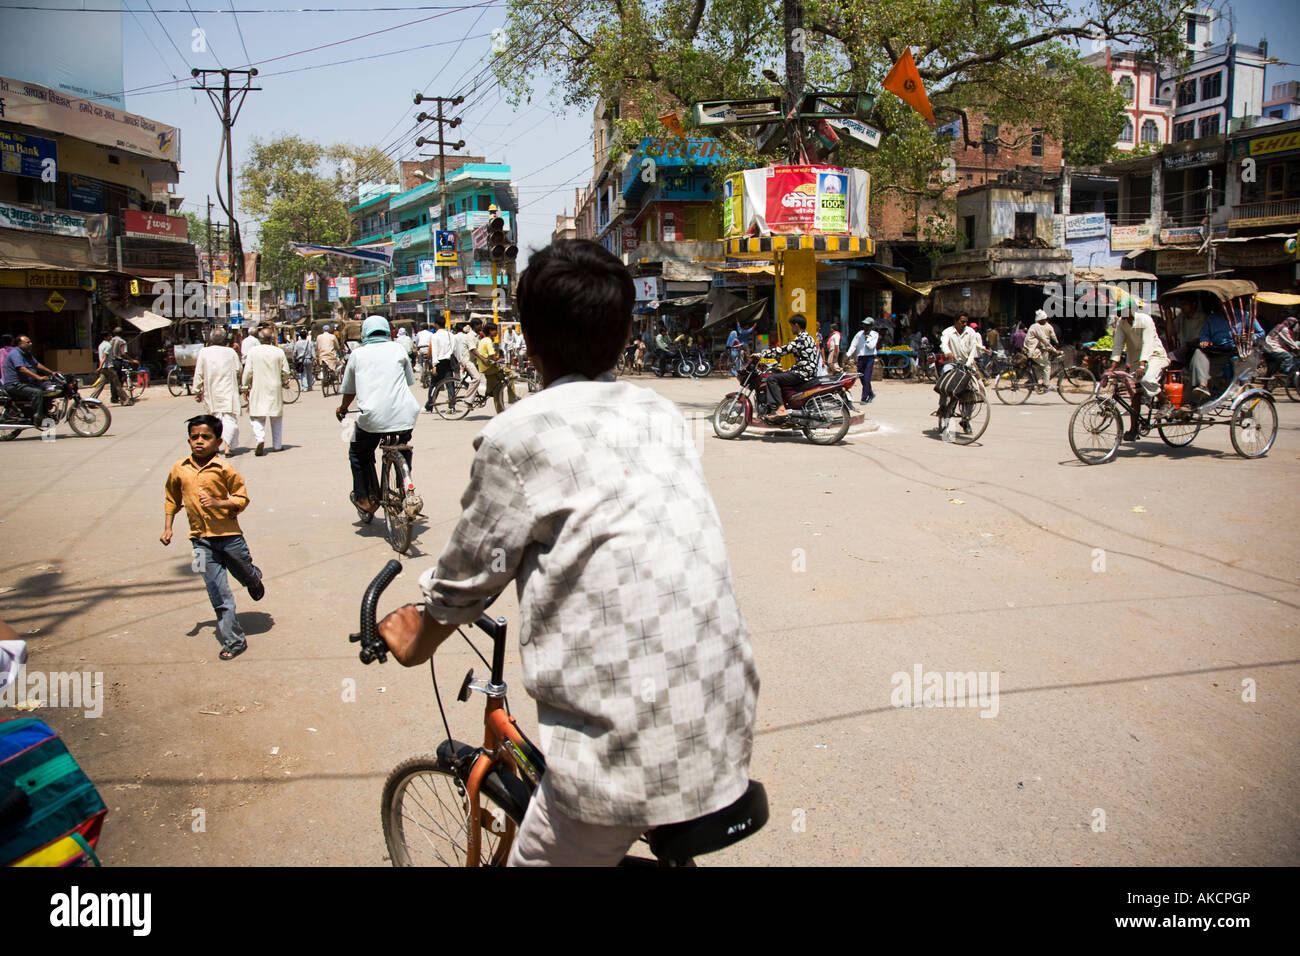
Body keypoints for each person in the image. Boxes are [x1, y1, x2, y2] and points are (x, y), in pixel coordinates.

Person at [375, 239, 758, 867]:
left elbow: (471, 575)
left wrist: (418, 635)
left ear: (529, 341)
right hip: (724, 716)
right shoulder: (659, 415)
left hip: (620, 753)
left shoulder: (517, 435)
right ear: (624, 333)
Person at [161, 415, 263, 661]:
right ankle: (234, 640)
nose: (199, 441)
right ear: (188, 439)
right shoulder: (179, 468)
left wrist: (219, 503)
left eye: (205, 437)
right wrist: (168, 528)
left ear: (218, 442)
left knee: (244, 572)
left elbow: (241, 498)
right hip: (199, 541)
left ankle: (253, 578)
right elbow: (172, 498)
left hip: (230, 538)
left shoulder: (225, 468)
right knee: (217, 591)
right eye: (194, 437)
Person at [335, 316, 420, 515]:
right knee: (402, 444)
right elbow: (409, 380)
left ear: (365, 332)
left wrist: (343, 408)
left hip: (372, 418)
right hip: (405, 414)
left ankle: (364, 499)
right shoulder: (399, 349)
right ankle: (403, 483)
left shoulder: (358, 354)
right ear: (386, 331)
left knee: (358, 453)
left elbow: (349, 388)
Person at [1108, 308, 1168, 440]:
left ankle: (1165, 402)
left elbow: (1147, 343)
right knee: (1136, 395)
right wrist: (1111, 367)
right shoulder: (1121, 323)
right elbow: (1118, 345)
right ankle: (1134, 429)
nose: (1121, 314)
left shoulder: (1144, 319)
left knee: (1147, 379)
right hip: (1136, 359)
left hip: (1154, 356)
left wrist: (1142, 364)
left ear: (1130, 309)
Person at [1187, 308, 1263, 403]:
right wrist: (1205, 340)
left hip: (1237, 351)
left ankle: (1240, 393)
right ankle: (1202, 385)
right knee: (1198, 353)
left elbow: (1261, 333)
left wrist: (1249, 337)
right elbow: (1204, 334)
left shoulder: (1245, 316)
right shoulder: (1213, 318)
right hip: (1216, 351)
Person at [753, 314, 819, 419]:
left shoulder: (801, 339)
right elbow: (803, 360)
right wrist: (787, 370)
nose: (791, 328)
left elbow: (784, 350)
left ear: (796, 325)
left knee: (771, 379)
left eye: (792, 326)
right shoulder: (809, 337)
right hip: (805, 371)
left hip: (803, 373)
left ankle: (780, 408)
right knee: (779, 374)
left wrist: (761, 355)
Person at [241, 327, 291, 455]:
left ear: (259, 339)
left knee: (257, 415)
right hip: (275, 386)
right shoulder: (278, 352)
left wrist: (245, 387)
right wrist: (283, 381)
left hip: (258, 386)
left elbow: (247, 372)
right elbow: (286, 371)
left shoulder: (253, 352)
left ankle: (260, 439)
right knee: (276, 417)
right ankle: (277, 445)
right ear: (272, 339)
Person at [193, 328, 243, 455]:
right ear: (224, 339)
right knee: (230, 419)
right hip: (229, 390)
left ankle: (216, 446)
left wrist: (197, 390)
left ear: (210, 339)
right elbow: (239, 369)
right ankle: (227, 446)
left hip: (212, 391)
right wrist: (240, 385)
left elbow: (199, 372)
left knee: (215, 420)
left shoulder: (204, 352)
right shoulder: (231, 352)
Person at [934, 315, 985, 431]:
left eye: (966, 322)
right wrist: (948, 352)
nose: (965, 324)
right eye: (962, 322)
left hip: (967, 364)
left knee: (974, 389)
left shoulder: (971, 332)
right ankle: (943, 406)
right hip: (952, 363)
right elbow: (944, 344)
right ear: (956, 321)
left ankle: (966, 420)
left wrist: (969, 362)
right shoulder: (948, 332)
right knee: (945, 378)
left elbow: (973, 349)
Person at [1, 335, 56, 425]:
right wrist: (38, 377)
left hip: (24, 383)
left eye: (30, 341)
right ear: (19, 344)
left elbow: (36, 364)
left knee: (48, 387)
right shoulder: (15, 353)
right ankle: (38, 417)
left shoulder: (27, 353)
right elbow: (22, 369)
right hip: (14, 385)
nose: (31, 344)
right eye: (28, 342)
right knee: (36, 392)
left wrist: (51, 372)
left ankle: (46, 411)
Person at [476, 322, 519, 413]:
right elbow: (492, 355)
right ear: (490, 331)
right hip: (490, 367)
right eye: (495, 330)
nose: (496, 332)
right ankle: (512, 398)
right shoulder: (488, 340)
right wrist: (499, 359)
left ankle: (500, 412)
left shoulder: (483, 340)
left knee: (498, 389)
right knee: (510, 373)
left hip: (485, 368)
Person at [1024, 309, 1062, 392]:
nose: (1045, 321)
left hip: (1034, 349)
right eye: (1044, 319)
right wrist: (1055, 350)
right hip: (1033, 351)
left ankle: (1037, 381)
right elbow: (1044, 340)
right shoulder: (1037, 327)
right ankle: (1045, 385)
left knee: (1043, 365)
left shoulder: (1034, 326)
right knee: (1047, 365)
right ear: (1041, 319)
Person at [425, 315, 457, 412]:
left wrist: (434, 365)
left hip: (439, 362)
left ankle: (430, 405)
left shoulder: (435, 336)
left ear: (436, 324)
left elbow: (435, 351)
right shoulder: (450, 335)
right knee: (450, 384)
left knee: (434, 385)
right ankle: (452, 407)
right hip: (449, 362)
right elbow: (454, 349)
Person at [845, 317, 878, 403]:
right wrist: (848, 354)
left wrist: (867, 337)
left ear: (871, 326)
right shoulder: (859, 334)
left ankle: (864, 398)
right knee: (862, 377)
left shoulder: (874, 335)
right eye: (865, 325)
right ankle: (870, 393)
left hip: (870, 357)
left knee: (867, 378)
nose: (865, 327)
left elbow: (871, 346)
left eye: (867, 325)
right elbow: (853, 345)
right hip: (861, 358)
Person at [452, 321, 486, 400]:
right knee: (477, 378)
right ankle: (467, 399)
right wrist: (483, 359)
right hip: (467, 360)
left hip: (471, 360)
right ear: (475, 326)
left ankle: (473, 397)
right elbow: (473, 349)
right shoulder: (470, 336)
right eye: (480, 326)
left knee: (475, 380)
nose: (481, 328)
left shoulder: (477, 336)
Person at [95, 331, 126, 405]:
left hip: (104, 368)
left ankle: (91, 400)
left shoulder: (101, 345)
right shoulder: (108, 345)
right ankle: (125, 400)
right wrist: (100, 367)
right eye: (109, 336)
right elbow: (104, 357)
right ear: (105, 337)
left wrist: (100, 367)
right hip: (109, 368)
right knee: (118, 385)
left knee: (100, 386)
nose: (111, 337)